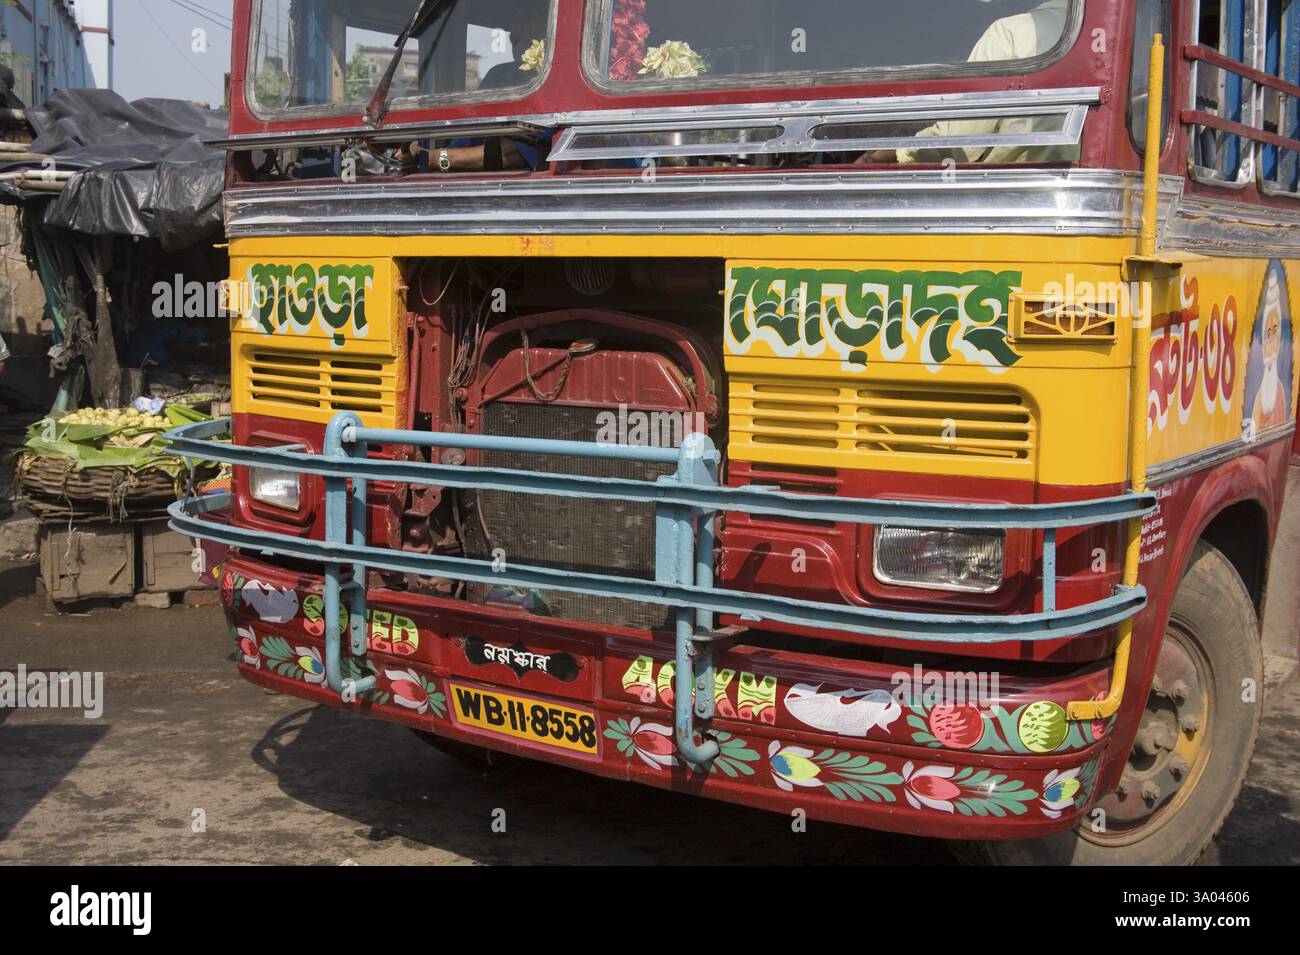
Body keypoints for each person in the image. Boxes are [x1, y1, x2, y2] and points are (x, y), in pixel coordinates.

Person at [857, 0, 1071, 166]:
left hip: (1012, 204)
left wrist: (888, 154)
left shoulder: (1009, 33)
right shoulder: (1099, 37)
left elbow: (959, 139)